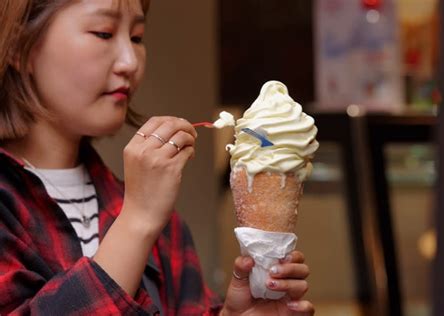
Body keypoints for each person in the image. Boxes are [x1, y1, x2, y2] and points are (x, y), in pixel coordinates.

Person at [0, 0, 315, 315]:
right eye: (103, 33)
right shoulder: (145, 211)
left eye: (137, 38)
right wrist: (136, 221)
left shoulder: (158, 218)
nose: (130, 62)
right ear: (19, 46)